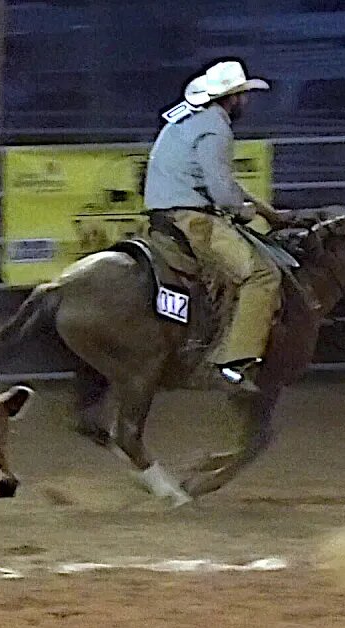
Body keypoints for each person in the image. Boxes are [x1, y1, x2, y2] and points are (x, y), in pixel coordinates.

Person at [143, 59, 294, 393]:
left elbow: (222, 181)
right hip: (191, 216)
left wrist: (267, 213)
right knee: (262, 274)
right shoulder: (216, 128)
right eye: (243, 95)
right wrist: (241, 212)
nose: (246, 102)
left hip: (166, 209)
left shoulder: (189, 119)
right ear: (234, 98)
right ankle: (233, 362)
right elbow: (222, 190)